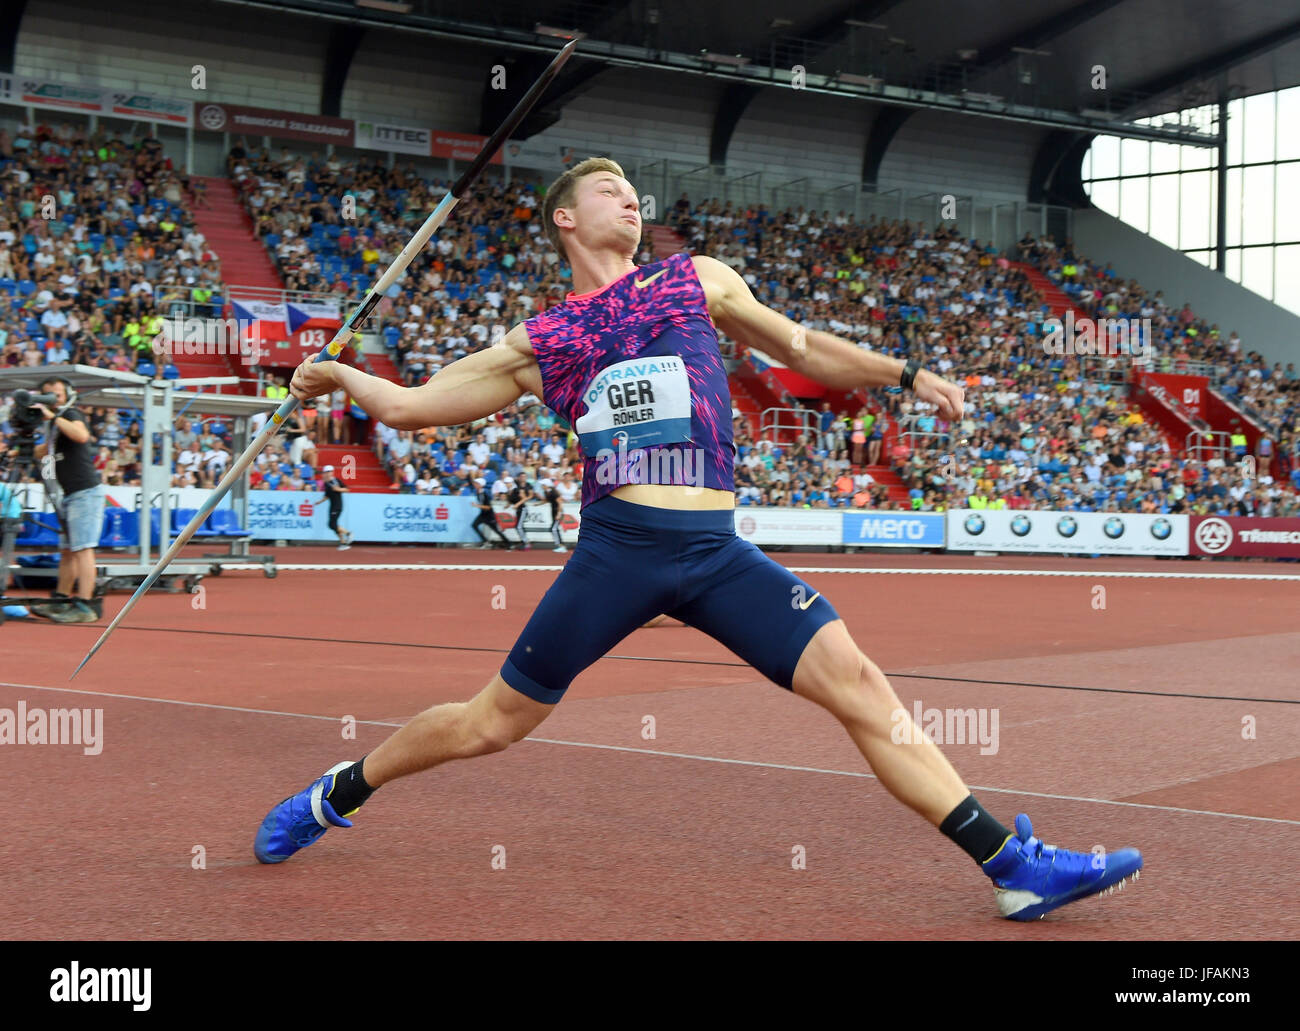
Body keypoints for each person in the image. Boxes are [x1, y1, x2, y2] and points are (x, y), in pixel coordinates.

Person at [255, 157, 1142, 921]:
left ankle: (1012, 868)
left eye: (636, 191)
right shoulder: (537, 342)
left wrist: (906, 373)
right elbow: (411, 408)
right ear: (567, 216)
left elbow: (801, 347)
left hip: (717, 552)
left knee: (861, 685)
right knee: (493, 724)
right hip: (618, 551)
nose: (631, 201)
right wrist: (338, 373)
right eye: (611, 190)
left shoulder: (695, 278)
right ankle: (340, 790)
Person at [28, 378, 104, 623]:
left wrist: (53, 416)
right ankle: (61, 599)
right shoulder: (53, 425)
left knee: (82, 549)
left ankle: (85, 604)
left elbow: (81, 436)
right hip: (70, 494)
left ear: (67, 395)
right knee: (68, 552)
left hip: (85, 492)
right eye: (47, 395)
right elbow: (43, 452)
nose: (52, 398)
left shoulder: (71, 414)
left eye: (56, 394)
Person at [319, 464, 351, 549]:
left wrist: (338, 489)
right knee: (332, 525)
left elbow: (347, 489)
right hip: (332, 506)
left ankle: (348, 533)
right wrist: (319, 502)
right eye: (326, 472)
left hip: (337, 505)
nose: (327, 473)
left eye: (329, 472)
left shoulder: (336, 481)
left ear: (332, 472)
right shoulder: (326, 483)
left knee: (332, 524)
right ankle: (343, 542)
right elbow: (327, 496)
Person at [471, 476, 508, 549]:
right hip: (483, 514)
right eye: (475, 483)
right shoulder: (478, 492)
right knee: (474, 525)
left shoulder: (485, 494)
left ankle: (508, 543)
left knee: (496, 530)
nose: (474, 484)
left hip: (489, 515)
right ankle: (486, 541)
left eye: (476, 483)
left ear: (481, 485)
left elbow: (488, 507)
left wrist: (477, 506)